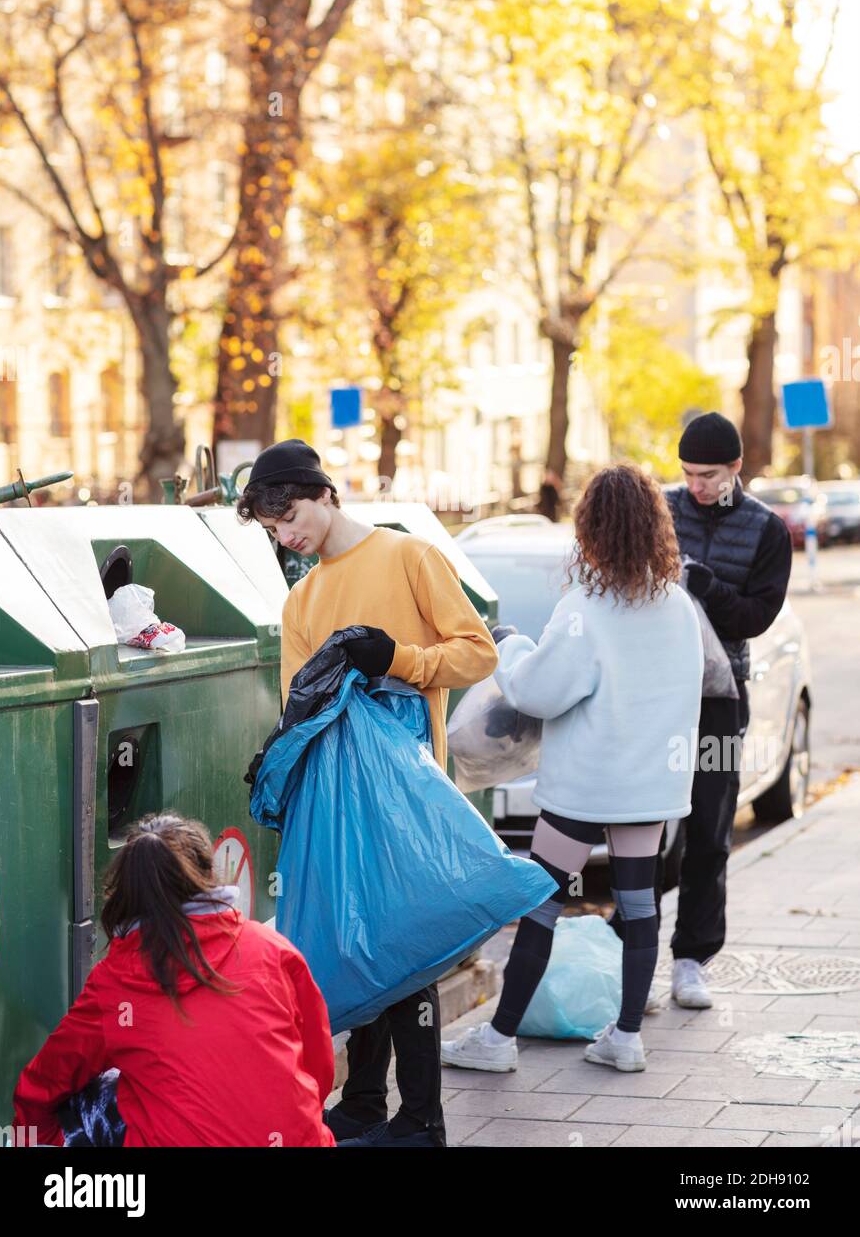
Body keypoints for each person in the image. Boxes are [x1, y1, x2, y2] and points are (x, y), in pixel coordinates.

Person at [236, 438, 498, 1148]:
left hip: (410, 792)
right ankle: (363, 1104)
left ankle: (421, 1119)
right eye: (273, 529)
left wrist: (398, 659)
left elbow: (478, 650)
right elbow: (298, 702)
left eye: (289, 516)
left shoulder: (409, 557)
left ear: (323, 493)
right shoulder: (302, 600)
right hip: (338, 797)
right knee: (363, 943)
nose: (286, 535)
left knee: (402, 945)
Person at [440, 463, 704, 1074]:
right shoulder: (679, 607)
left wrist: (510, 643)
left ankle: (500, 1040)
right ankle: (627, 1036)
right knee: (640, 909)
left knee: (542, 906)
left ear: (593, 531)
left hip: (585, 786)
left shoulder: (586, 605)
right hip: (648, 787)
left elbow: (538, 691)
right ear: (652, 527)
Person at [13, 814, 335, 1148]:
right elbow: (318, 1065)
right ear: (208, 874)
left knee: (99, 1094)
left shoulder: (114, 981)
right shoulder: (270, 948)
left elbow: (46, 1081)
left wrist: (37, 1137)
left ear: (125, 894)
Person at [628, 412, 792, 1010]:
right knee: (640, 824)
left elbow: (755, 618)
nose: (697, 486)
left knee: (710, 830)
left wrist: (700, 584)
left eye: (710, 475)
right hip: (651, 697)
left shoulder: (766, 530)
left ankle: (691, 958)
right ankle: (633, 954)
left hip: (720, 702)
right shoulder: (659, 513)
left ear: (736, 469)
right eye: (690, 474)